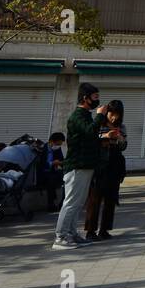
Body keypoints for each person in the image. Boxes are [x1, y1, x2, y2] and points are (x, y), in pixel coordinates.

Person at [53, 82, 104, 250]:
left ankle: (71, 233)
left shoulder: (85, 116)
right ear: (85, 98)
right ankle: (60, 236)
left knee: (78, 202)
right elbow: (89, 131)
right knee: (71, 202)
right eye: (95, 97)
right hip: (77, 166)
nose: (97, 100)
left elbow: (89, 136)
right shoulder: (78, 116)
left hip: (85, 165)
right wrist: (100, 116)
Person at [84, 100, 127, 240]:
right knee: (94, 199)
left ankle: (104, 229)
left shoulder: (122, 127)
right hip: (99, 166)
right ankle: (90, 231)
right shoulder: (98, 125)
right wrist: (105, 136)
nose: (114, 117)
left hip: (114, 166)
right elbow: (90, 139)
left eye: (117, 115)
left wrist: (120, 139)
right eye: (112, 114)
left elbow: (123, 146)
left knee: (111, 199)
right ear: (106, 112)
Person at [43, 132, 66, 209]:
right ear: (52, 141)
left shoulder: (57, 149)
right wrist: (51, 163)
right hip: (44, 172)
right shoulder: (43, 149)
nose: (59, 146)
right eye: (58, 144)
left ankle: (62, 203)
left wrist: (61, 163)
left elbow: (62, 160)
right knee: (51, 181)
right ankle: (51, 204)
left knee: (67, 179)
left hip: (54, 171)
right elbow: (41, 164)